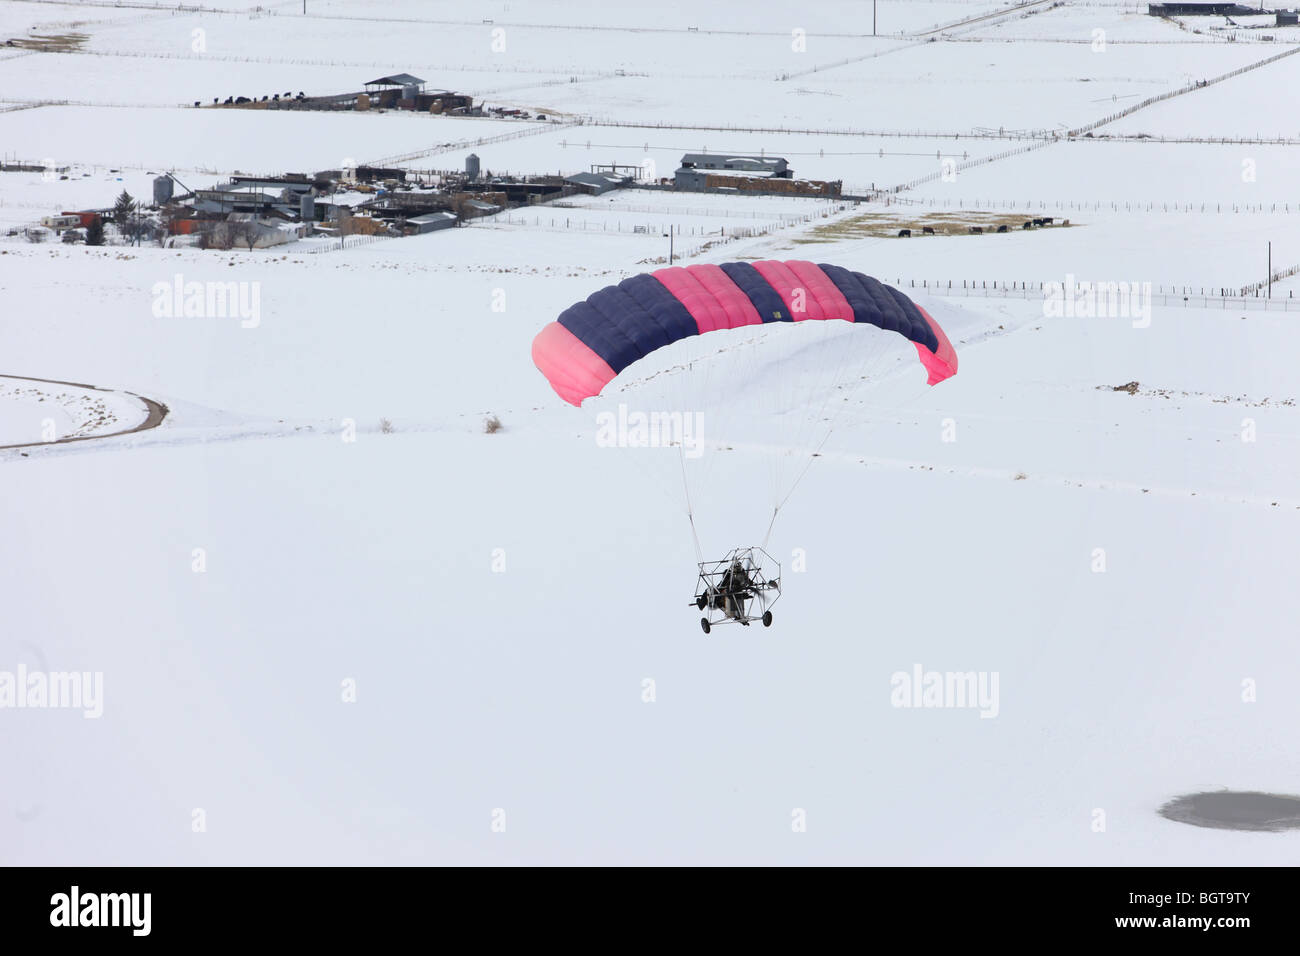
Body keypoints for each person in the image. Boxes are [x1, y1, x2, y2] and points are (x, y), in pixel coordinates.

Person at [719, 559, 754, 625]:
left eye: (738, 567)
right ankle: (739, 618)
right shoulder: (729, 577)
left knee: (739, 598)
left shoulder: (742, 575)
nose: (737, 569)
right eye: (736, 567)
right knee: (732, 602)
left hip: (737, 593)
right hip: (730, 595)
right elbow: (724, 587)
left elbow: (749, 581)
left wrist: (751, 584)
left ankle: (741, 618)